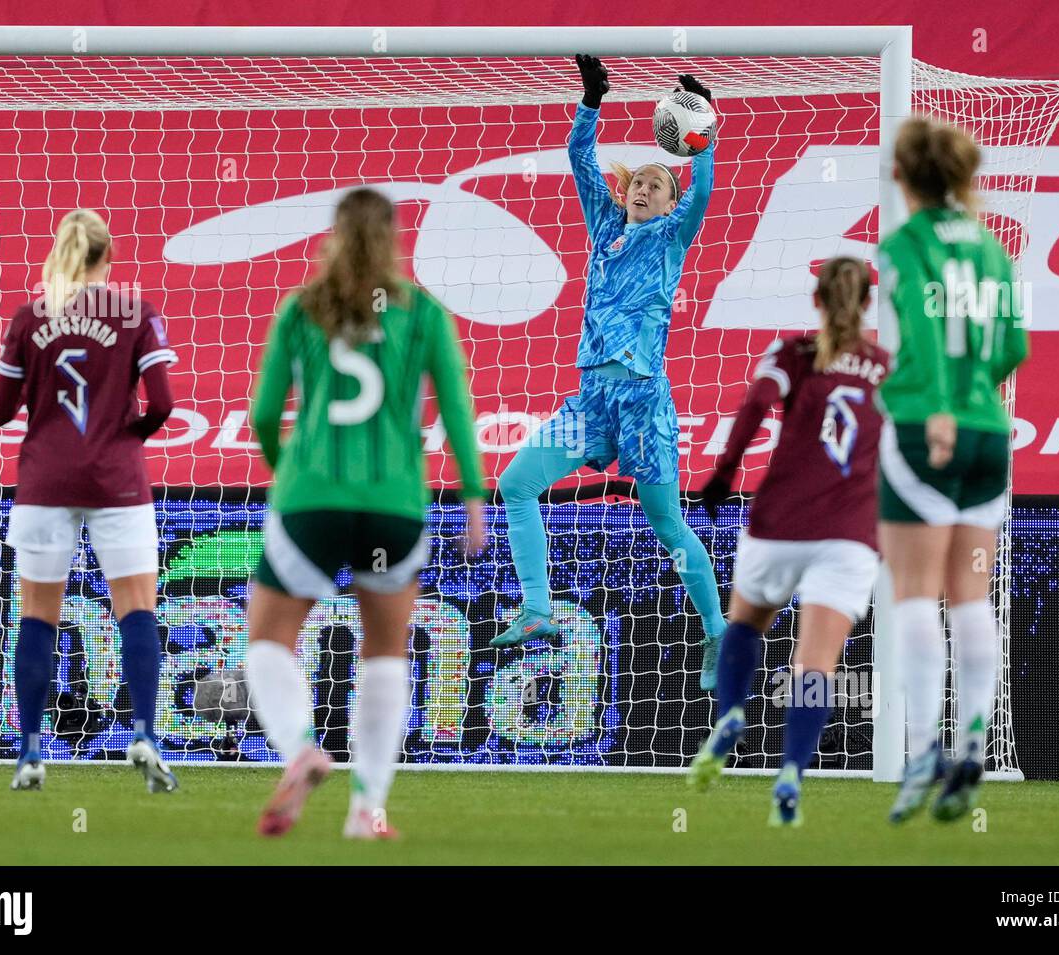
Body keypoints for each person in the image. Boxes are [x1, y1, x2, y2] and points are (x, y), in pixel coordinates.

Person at [246, 187, 487, 840]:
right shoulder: (423, 313)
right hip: (393, 509)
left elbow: (265, 413)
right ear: (393, 238)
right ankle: (367, 811)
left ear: (334, 234)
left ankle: (300, 747)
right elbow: (457, 412)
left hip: (311, 501)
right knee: (384, 653)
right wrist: (473, 497)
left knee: (268, 639)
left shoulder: (301, 309)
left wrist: (286, 467)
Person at [494, 54, 726, 691]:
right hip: (590, 402)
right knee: (515, 484)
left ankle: (715, 630)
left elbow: (701, 189)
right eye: (640, 182)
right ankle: (538, 610)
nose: (646, 188)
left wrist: (702, 131)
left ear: (670, 203)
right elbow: (579, 158)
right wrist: (591, 100)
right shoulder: (604, 227)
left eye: (659, 184)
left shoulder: (671, 239)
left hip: (642, 400)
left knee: (665, 523)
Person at [690, 258, 889, 826]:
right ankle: (791, 774)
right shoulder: (889, 370)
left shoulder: (792, 354)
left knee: (746, 624)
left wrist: (725, 472)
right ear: (866, 305)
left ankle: (730, 714)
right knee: (814, 667)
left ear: (817, 301)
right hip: (849, 535)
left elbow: (754, 404)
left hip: (779, 523)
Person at [0, 208, 179, 793]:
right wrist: (125, 438)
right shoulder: (134, 312)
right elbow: (164, 402)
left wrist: (42, 409)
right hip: (117, 480)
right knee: (136, 608)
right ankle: (145, 732)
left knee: (38, 615)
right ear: (109, 257)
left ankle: (28, 752)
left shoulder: (31, 315)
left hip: (45, 481)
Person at [879, 116, 1030, 823]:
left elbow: (920, 328)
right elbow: (1015, 344)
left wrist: (938, 403)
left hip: (923, 430)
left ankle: (921, 751)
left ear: (903, 176)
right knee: (970, 594)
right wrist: (973, 391)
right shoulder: (992, 247)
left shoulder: (906, 245)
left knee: (913, 592)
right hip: (989, 433)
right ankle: (973, 745)